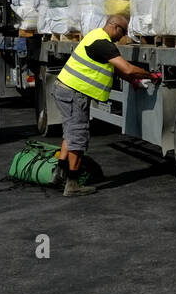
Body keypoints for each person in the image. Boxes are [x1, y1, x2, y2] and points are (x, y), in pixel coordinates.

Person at [54, 14, 152, 198]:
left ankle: (59, 173)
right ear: (115, 27)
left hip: (65, 89)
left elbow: (115, 69)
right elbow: (128, 68)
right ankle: (72, 184)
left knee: (70, 131)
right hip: (74, 93)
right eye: (122, 32)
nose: (122, 38)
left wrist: (133, 81)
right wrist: (149, 74)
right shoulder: (103, 43)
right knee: (78, 135)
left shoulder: (95, 37)